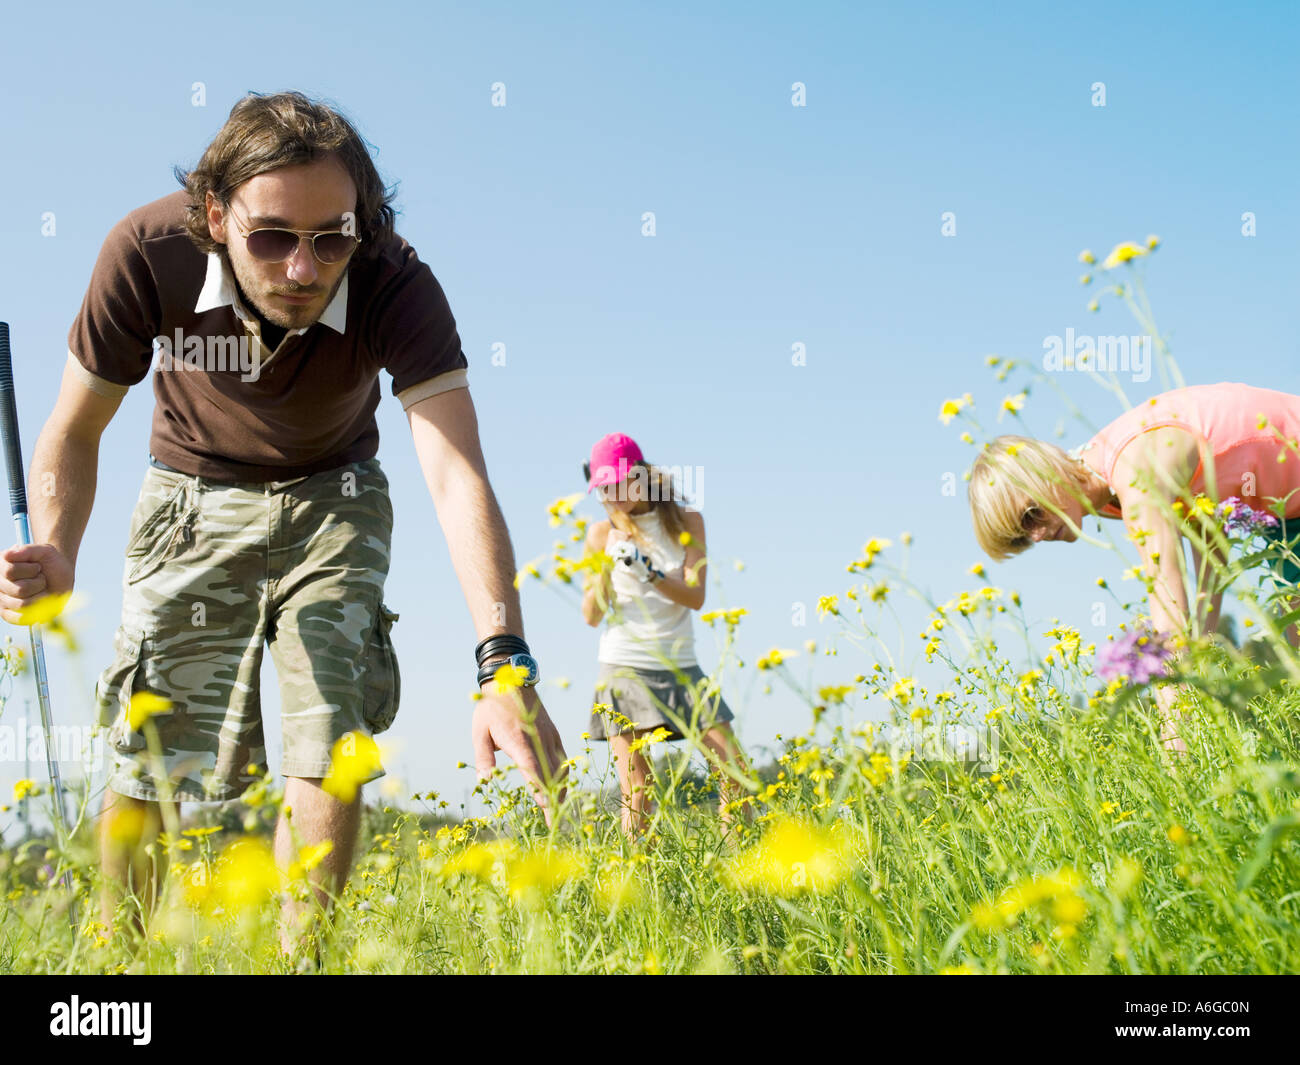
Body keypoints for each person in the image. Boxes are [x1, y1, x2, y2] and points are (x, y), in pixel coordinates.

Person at [0, 91, 566, 951]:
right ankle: (120, 968)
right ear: (215, 214)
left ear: (361, 226)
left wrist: (503, 659)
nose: (304, 269)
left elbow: (456, 472)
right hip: (189, 490)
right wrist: (58, 547)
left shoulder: (395, 280)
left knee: (329, 724)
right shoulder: (146, 252)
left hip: (334, 493)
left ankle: (306, 961)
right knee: (150, 742)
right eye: (272, 238)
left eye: (330, 237)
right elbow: (72, 430)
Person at [968, 381, 1300, 749]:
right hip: (1286, 514)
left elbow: (1168, 605)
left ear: (1042, 471)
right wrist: (1203, 652)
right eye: (1021, 535)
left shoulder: (1133, 476)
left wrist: (1175, 732)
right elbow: (1208, 536)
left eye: (1031, 515)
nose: (1037, 535)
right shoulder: (1102, 489)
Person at [579, 432, 749, 838]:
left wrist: (649, 573)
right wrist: (606, 564)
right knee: (638, 791)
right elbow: (590, 614)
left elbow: (695, 597)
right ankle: (638, 892)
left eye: (619, 482)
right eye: (604, 487)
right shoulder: (601, 533)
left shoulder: (688, 522)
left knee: (735, 772)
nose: (612, 494)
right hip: (624, 667)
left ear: (641, 475)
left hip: (681, 664)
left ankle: (744, 872)